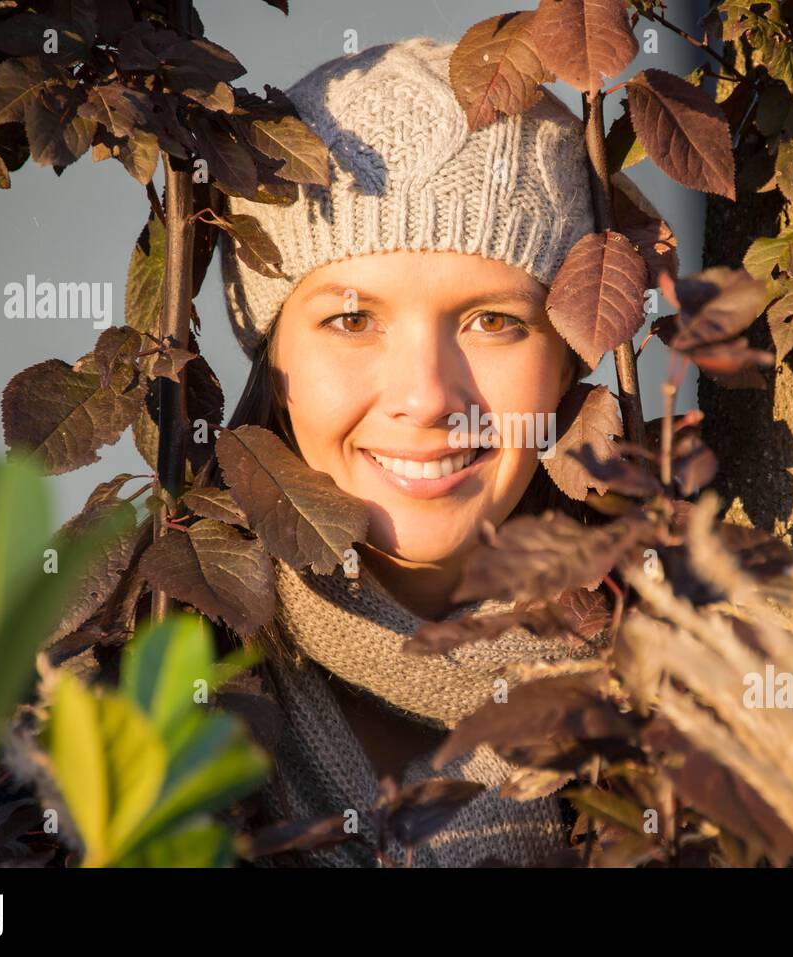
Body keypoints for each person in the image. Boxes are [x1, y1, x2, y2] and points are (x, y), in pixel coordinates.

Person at [218, 36, 610, 867]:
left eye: (494, 321)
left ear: (570, 356)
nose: (428, 396)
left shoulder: (696, 696)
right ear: (270, 349)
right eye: (352, 320)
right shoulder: (117, 677)